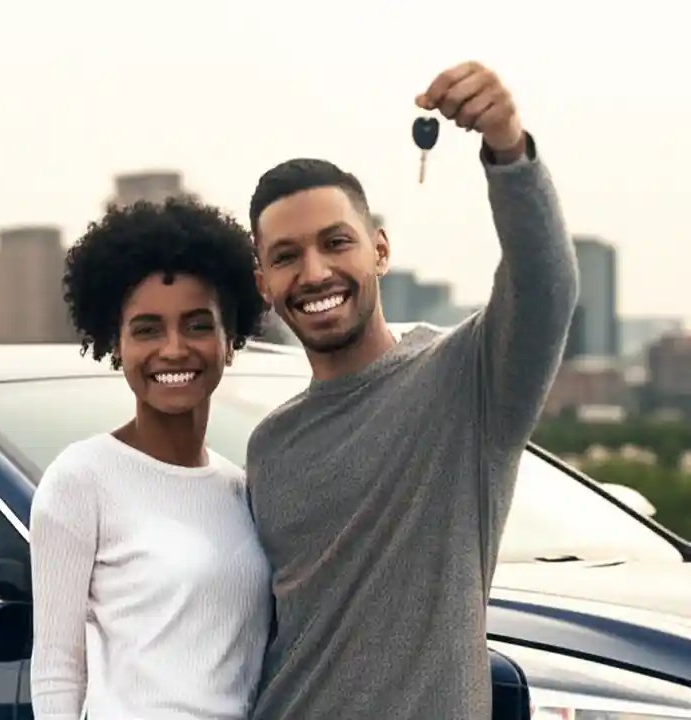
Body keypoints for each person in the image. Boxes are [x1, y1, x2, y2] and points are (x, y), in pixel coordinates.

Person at [244, 61, 580, 719]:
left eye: (335, 243)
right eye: (286, 256)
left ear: (379, 250)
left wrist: (508, 147)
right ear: (264, 285)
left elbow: (546, 288)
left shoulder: (466, 383)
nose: (314, 272)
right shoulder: (269, 445)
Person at [29, 197, 272, 720]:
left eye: (198, 325)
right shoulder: (82, 479)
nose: (174, 348)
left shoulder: (242, 490)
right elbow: (55, 669)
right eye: (147, 329)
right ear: (115, 345)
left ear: (231, 340)